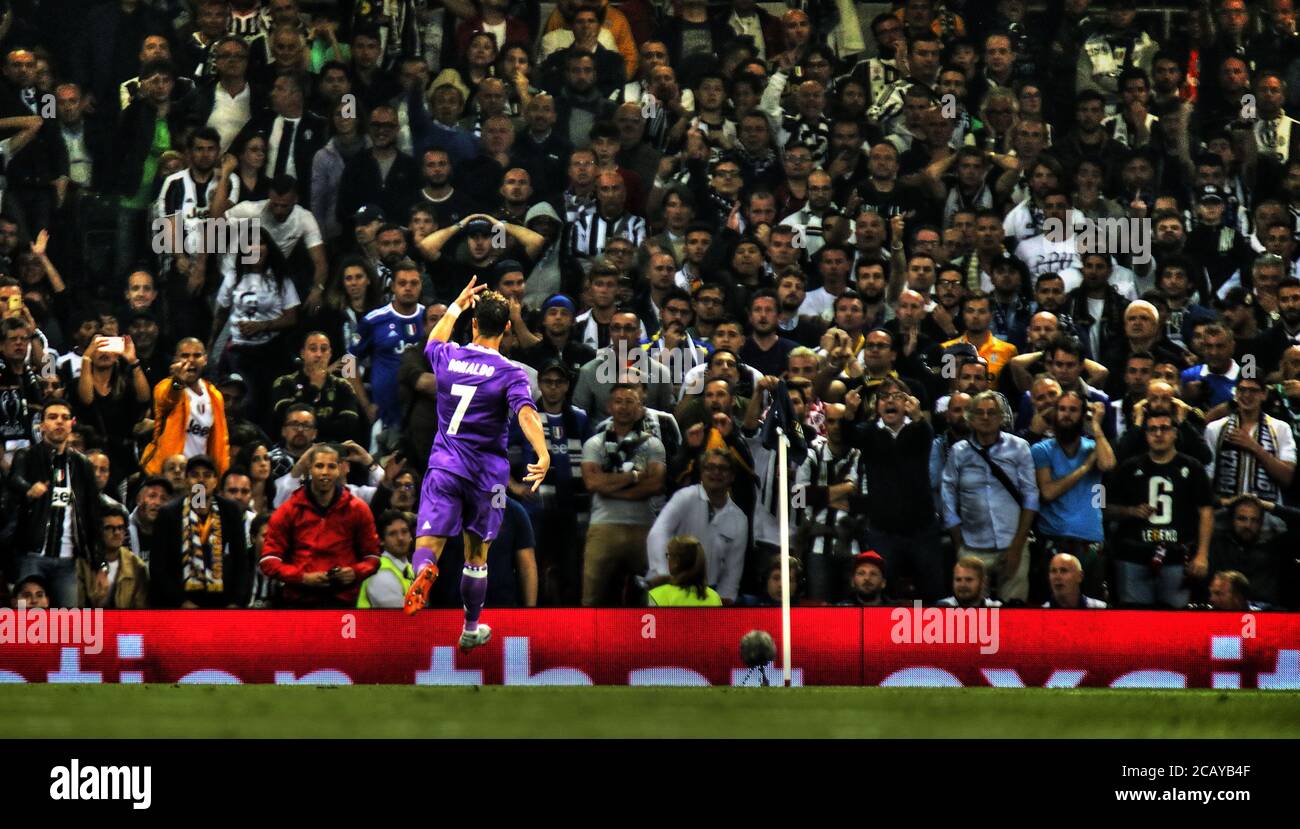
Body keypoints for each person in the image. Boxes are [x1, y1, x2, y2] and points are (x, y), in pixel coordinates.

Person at [402, 278, 551, 651]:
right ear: (505, 329)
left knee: (429, 541)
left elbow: (433, 340)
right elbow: (527, 414)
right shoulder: (511, 373)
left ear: (473, 324)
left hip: (444, 466)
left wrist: (455, 305)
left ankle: (423, 571)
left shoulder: (448, 357)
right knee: (477, 555)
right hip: (489, 478)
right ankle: (470, 627)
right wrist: (543, 452)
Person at [1108, 411, 1214, 608]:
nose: (1158, 434)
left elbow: (1206, 512)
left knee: (1174, 626)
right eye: (1152, 429)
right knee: (1135, 623)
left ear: (1175, 433)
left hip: (1177, 558)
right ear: (1145, 434)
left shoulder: (1193, 468)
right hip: (1134, 555)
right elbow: (1104, 507)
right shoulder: (1128, 468)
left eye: (1164, 428)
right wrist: (1130, 512)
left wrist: (1202, 554)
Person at [941, 390, 1038, 603]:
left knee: (1014, 611)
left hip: (1014, 543)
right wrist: (959, 545)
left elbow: (1031, 498)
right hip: (972, 546)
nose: (985, 417)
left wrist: (1017, 547)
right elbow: (947, 500)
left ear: (1001, 417)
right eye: (980, 412)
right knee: (970, 610)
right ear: (970, 417)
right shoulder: (958, 452)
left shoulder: (1019, 447)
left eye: (992, 412)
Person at [260, 444, 382, 607]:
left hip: (342, 603)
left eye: (331, 466)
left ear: (339, 469)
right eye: (319, 466)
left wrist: (355, 572)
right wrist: (302, 577)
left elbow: (373, 557)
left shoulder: (357, 509)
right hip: (298, 602)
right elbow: (269, 559)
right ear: (310, 469)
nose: (325, 472)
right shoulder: (288, 510)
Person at [7, 401, 101, 608]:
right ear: (41, 426)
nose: (59, 421)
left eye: (65, 418)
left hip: (67, 561)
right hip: (31, 555)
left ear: (71, 424)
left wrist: (98, 564)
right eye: (52, 417)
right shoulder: (27, 456)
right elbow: (14, 479)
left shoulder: (83, 464)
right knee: (25, 625)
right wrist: (28, 489)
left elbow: (92, 514)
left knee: (68, 626)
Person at [645, 448, 747, 603]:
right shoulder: (684, 497)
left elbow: (733, 570)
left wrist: (724, 601)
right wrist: (664, 574)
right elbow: (658, 533)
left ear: (732, 476)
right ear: (701, 473)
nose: (716, 473)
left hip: (707, 593)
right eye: (710, 467)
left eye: (722, 468)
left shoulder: (739, 519)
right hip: (670, 586)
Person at [149, 455, 251, 609]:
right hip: (179, 604)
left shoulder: (230, 511)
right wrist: (181, 603)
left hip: (222, 603)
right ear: (186, 481)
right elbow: (158, 567)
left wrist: (235, 602)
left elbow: (241, 563)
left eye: (207, 475)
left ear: (216, 481)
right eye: (195, 475)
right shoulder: (168, 514)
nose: (201, 480)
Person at [140, 338, 230, 476]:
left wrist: (221, 477)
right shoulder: (165, 386)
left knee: (197, 498)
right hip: (167, 475)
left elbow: (221, 443)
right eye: (185, 356)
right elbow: (169, 398)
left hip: (198, 478)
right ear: (175, 360)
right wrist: (178, 380)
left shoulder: (215, 395)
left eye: (197, 355)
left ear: (205, 360)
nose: (191, 360)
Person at [78, 507, 150, 608]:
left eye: (120, 528)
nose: (116, 533)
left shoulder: (137, 566)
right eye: (109, 528)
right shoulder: (83, 564)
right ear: (98, 531)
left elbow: (140, 611)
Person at [356, 509, 416, 609]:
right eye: (392, 534)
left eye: (404, 531)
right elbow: (401, 618)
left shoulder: (409, 568)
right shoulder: (380, 572)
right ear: (381, 541)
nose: (400, 538)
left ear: (411, 537)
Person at [646, 535, 723, 607]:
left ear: (676, 562)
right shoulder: (715, 598)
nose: (667, 559)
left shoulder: (657, 596)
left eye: (668, 555)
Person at [1042, 552, 1107, 609]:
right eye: (1053, 571)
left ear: (1080, 576)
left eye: (1064, 570)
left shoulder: (1101, 609)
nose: (1057, 577)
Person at [936, 556, 1002, 608]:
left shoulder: (996, 608)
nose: (962, 585)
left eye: (969, 580)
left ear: (983, 582)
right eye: (958, 580)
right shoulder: (943, 607)